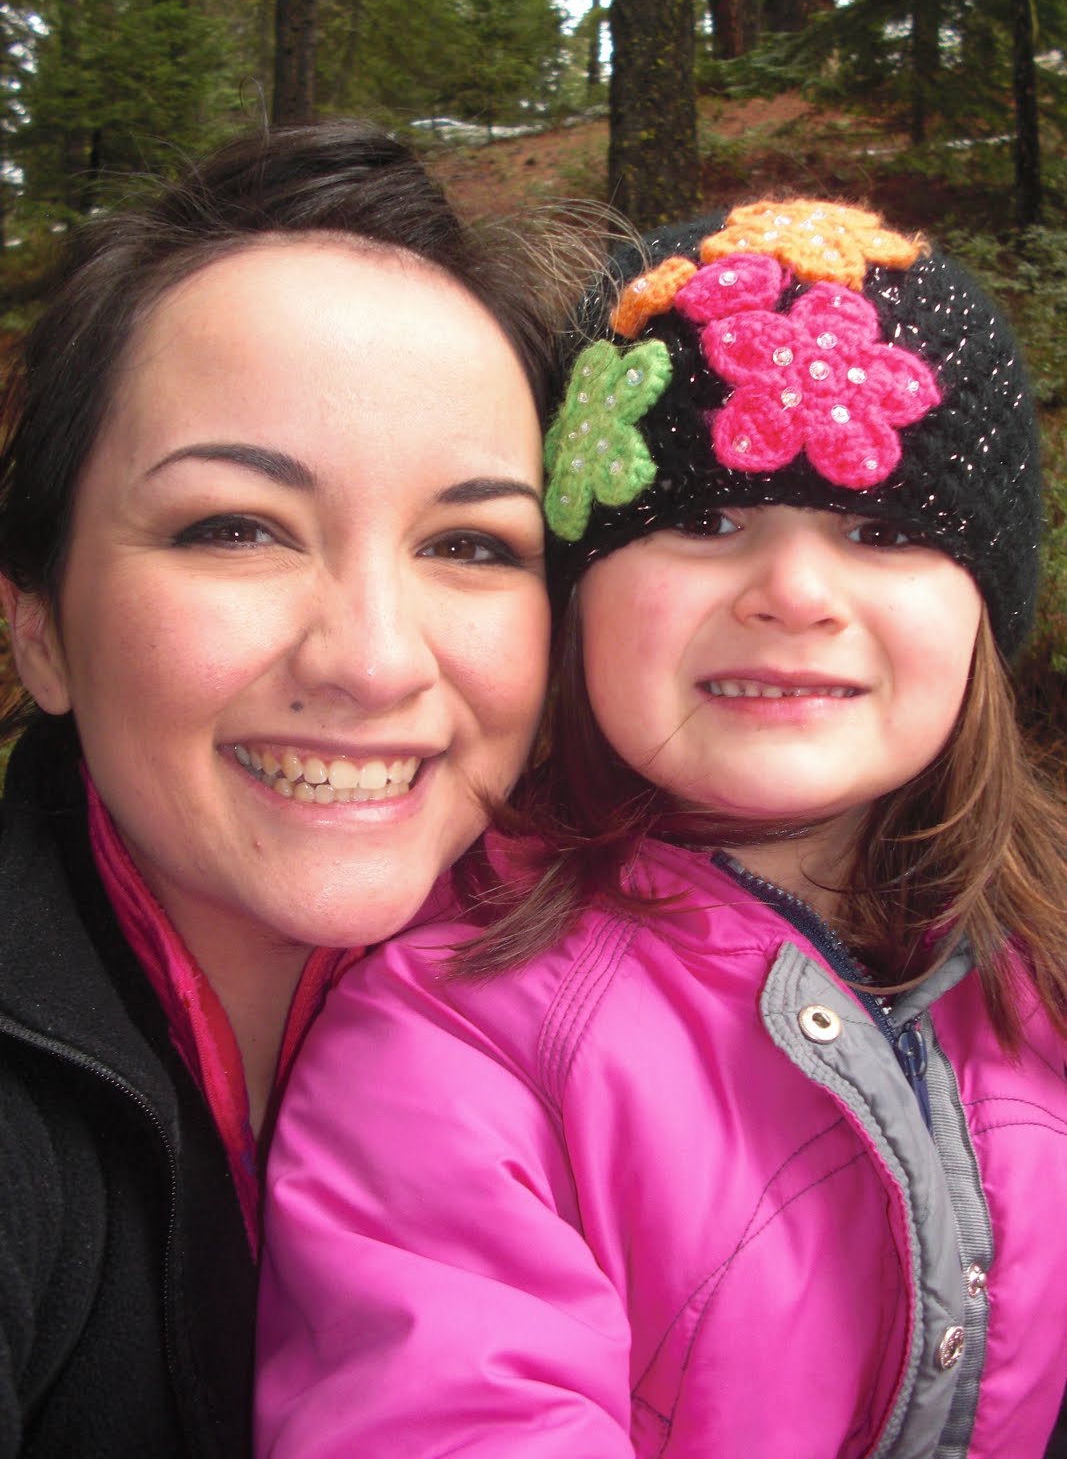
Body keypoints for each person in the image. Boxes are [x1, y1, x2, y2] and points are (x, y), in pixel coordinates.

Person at [257, 198, 1067, 1458]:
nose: (794, 594)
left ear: (984, 614)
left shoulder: (1033, 974)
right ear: (570, 602)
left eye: (881, 531)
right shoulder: (452, 1040)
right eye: (705, 521)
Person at [0, 118, 574, 1455]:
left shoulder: (623, 1013)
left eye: (471, 543)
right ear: (39, 628)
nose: (372, 660)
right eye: (235, 528)